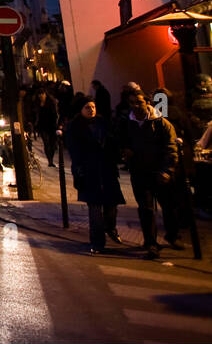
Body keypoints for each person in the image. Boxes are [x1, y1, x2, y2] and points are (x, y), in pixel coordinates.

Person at [122, 94, 183, 258]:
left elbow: (171, 148)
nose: (136, 106)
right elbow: (122, 141)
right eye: (132, 103)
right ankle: (150, 242)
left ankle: (172, 236)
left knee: (169, 206)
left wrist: (167, 171)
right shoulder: (127, 123)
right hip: (140, 172)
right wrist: (125, 152)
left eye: (139, 102)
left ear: (147, 103)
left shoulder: (161, 123)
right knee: (146, 209)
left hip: (159, 171)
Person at [64, 99, 125, 254]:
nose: (91, 109)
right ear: (81, 109)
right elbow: (74, 150)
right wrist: (79, 169)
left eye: (93, 107)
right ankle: (97, 242)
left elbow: (114, 141)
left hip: (107, 169)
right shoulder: (75, 126)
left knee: (111, 204)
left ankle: (110, 227)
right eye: (87, 107)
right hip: (88, 170)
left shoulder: (103, 123)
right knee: (95, 208)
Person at [37, 89, 60, 167]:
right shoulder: (37, 103)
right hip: (43, 126)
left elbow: (55, 114)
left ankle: (51, 158)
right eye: (39, 94)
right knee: (46, 143)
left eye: (42, 94)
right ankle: (50, 160)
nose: (41, 96)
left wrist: (56, 124)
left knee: (52, 144)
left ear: (45, 94)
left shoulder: (51, 102)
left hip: (51, 125)